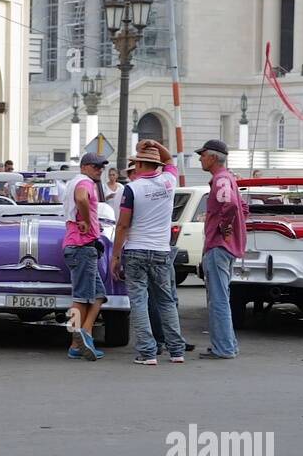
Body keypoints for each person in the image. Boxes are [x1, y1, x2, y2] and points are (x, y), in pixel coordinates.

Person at [110, 141, 187, 365]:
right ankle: (176, 351)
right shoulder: (168, 182)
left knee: (139, 301)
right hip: (162, 251)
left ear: (141, 164)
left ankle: (147, 352)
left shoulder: (132, 189)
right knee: (166, 302)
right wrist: (156, 144)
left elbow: (123, 225)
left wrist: (115, 256)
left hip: (136, 250)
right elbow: (170, 161)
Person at [196, 139, 248, 360]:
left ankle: (224, 348)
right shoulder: (229, 179)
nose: (200, 158)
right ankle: (227, 344)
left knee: (217, 299)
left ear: (213, 157)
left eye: (203, 154)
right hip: (226, 246)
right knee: (221, 297)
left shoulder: (221, 179)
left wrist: (224, 228)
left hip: (218, 246)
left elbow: (233, 206)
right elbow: (243, 207)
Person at [61, 152, 109, 361]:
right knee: (81, 297)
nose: (100, 170)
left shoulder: (75, 181)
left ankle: (86, 334)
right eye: (95, 166)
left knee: (99, 294)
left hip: (81, 246)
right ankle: (74, 343)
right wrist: (88, 220)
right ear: (84, 167)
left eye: (101, 167)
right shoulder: (85, 182)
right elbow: (81, 197)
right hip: (81, 245)